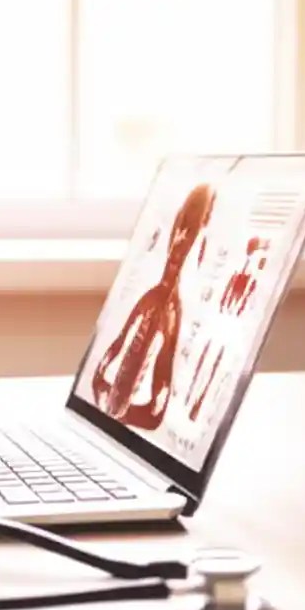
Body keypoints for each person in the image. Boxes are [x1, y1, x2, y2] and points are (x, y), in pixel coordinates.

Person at [91, 182, 216, 430]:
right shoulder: (156, 300)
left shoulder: (170, 306)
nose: (181, 239)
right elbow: (121, 345)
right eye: (180, 230)